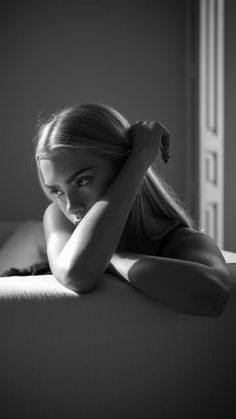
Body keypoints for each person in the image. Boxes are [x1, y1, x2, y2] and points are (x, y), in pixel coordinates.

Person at [34, 102, 230, 317]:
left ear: (125, 170)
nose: (71, 207)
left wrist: (139, 160)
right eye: (57, 191)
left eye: (82, 181)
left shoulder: (182, 240)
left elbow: (212, 297)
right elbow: (76, 274)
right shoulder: (56, 216)